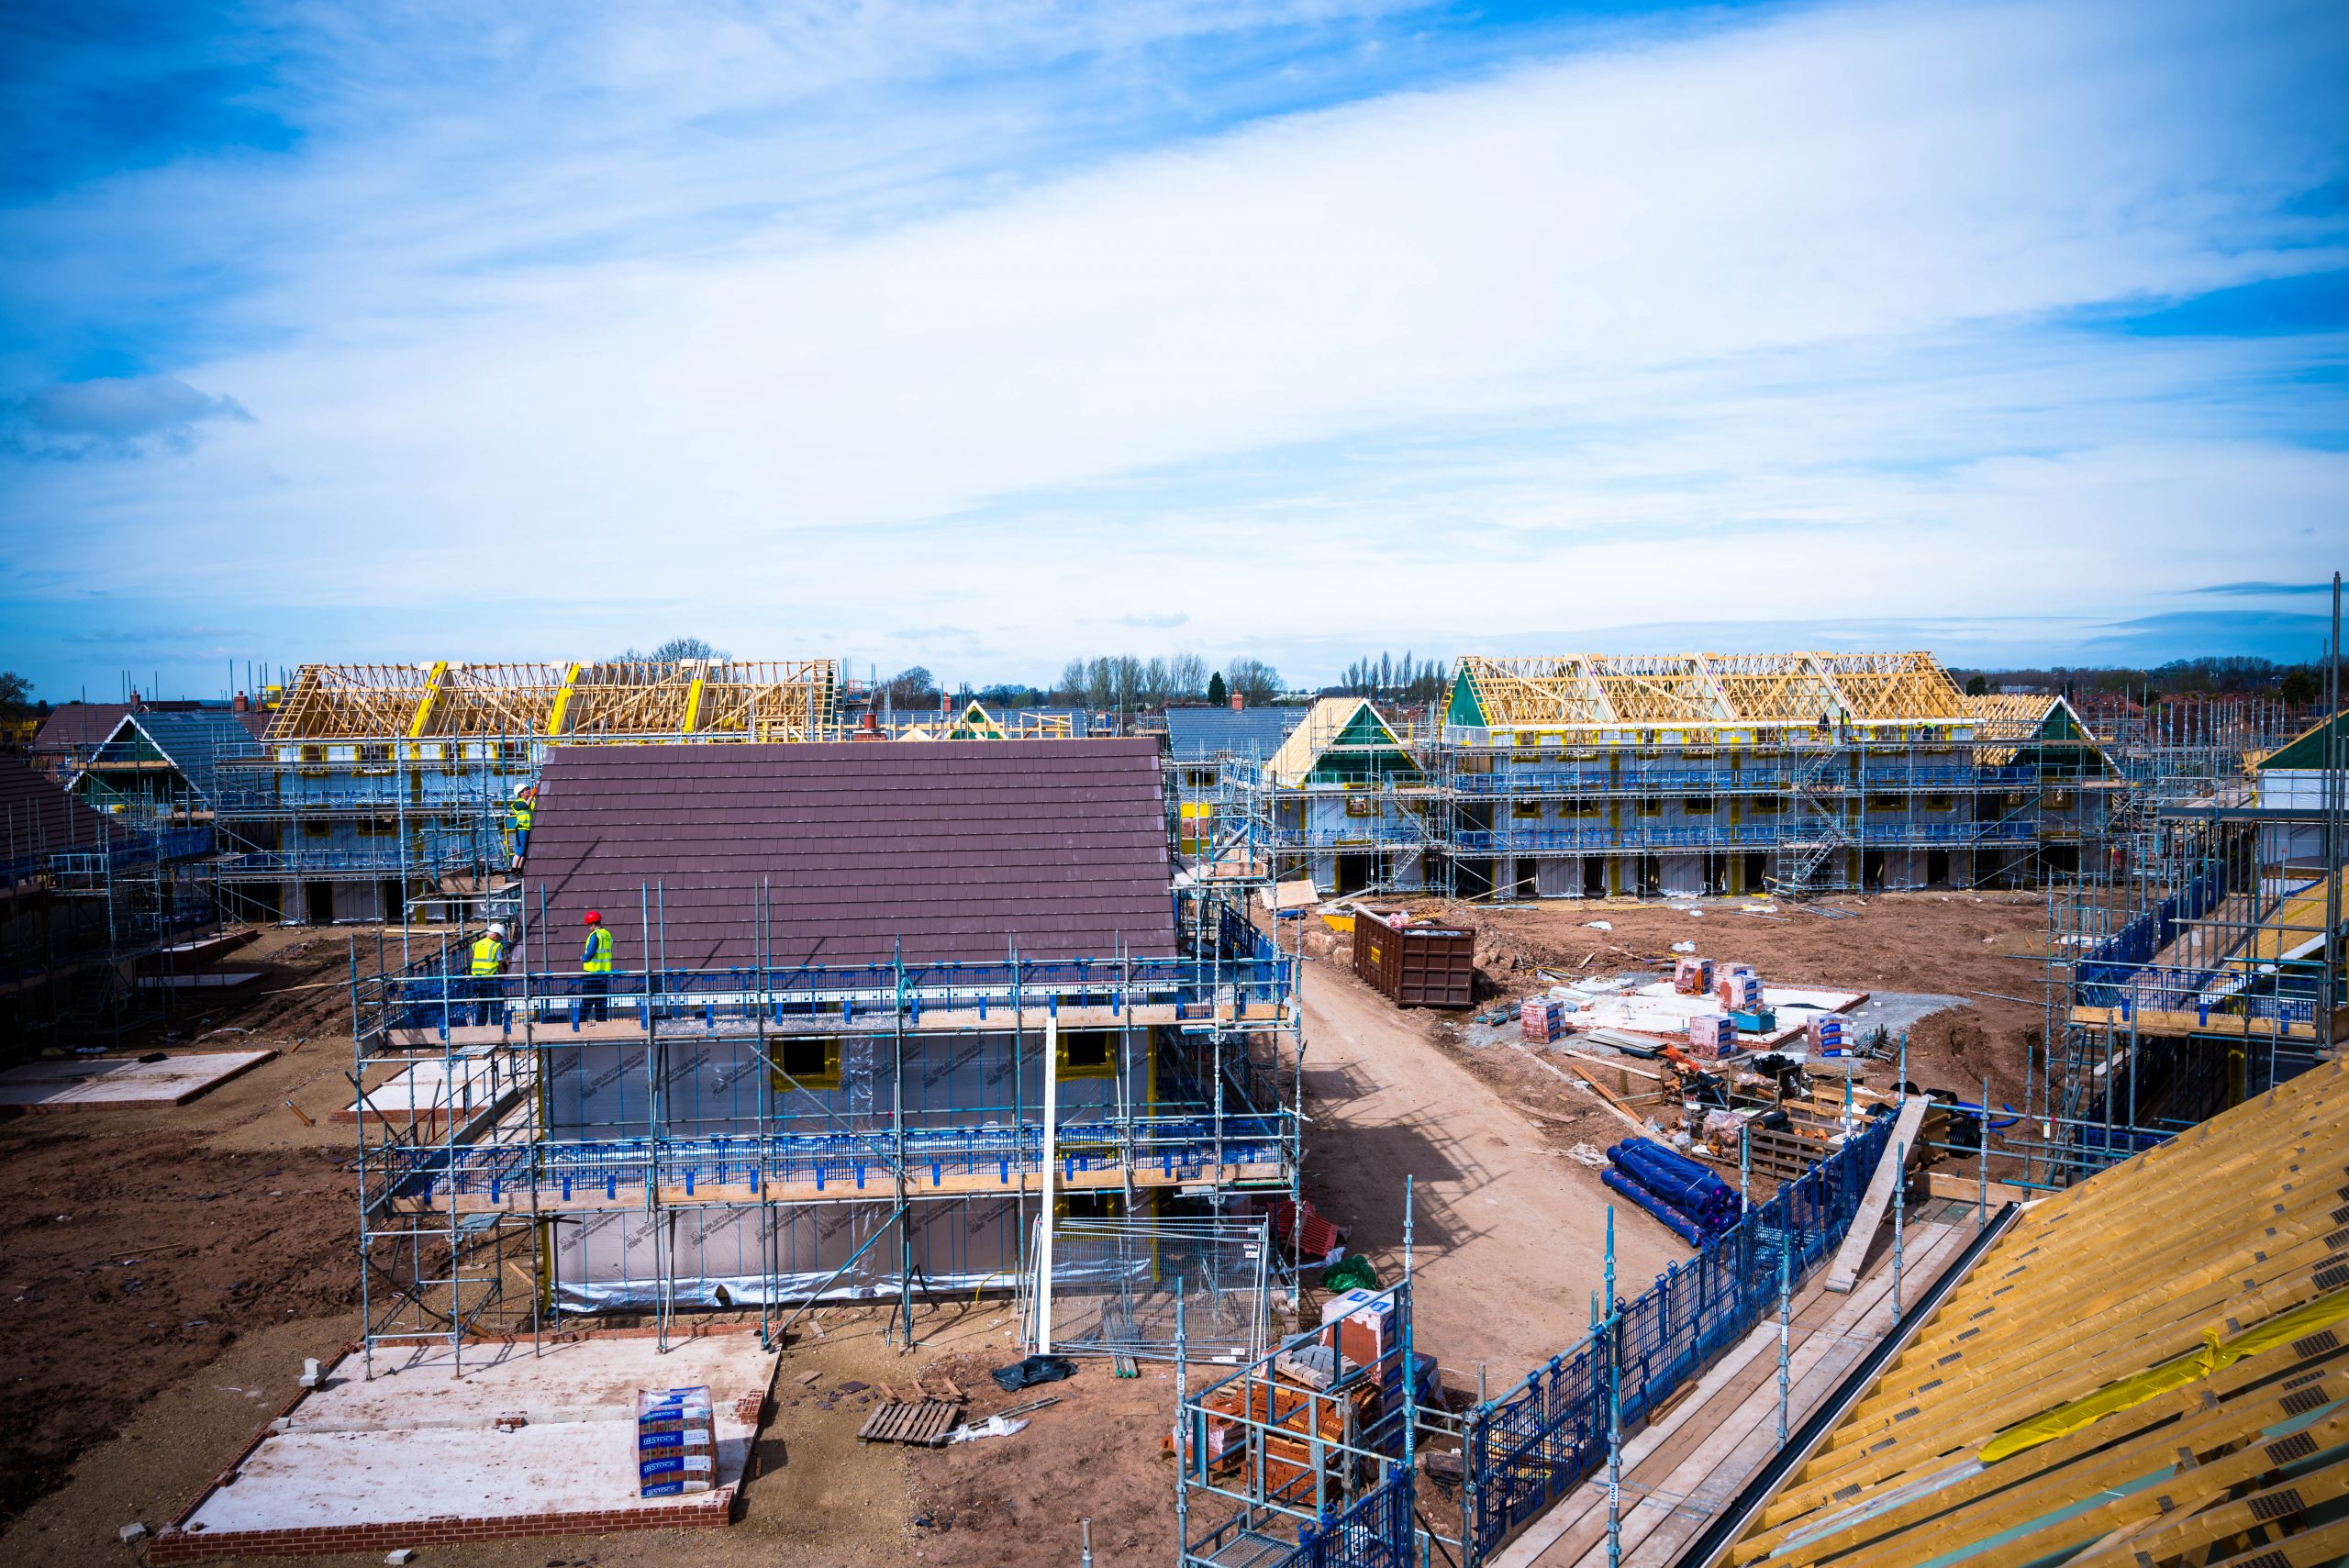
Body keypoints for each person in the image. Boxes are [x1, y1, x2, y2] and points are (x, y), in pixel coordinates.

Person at [468, 921, 508, 1028]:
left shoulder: (477, 944)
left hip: (477, 979)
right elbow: (499, 965)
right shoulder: (496, 946)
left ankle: (479, 1028)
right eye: (500, 937)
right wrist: (503, 977)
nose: (500, 940)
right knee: (496, 1004)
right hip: (491, 979)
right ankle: (496, 1028)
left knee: (482, 1005)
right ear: (495, 935)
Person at [580, 909, 613, 1023]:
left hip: (592, 974)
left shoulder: (595, 935)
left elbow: (590, 953)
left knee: (587, 1001)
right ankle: (602, 1023)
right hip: (604, 974)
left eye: (589, 925)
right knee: (601, 1001)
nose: (589, 927)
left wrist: (583, 958)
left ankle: (581, 1023)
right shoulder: (607, 934)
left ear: (593, 924)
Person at [507, 784, 537, 871]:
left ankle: (519, 870)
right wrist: (532, 795)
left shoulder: (529, 801)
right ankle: (513, 871)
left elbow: (534, 803)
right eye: (526, 789)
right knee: (519, 851)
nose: (528, 790)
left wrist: (538, 788)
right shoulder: (517, 803)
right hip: (522, 829)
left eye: (528, 789)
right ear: (520, 793)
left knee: (524, 852)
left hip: (528, 829)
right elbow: (525, 806)